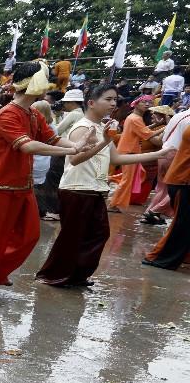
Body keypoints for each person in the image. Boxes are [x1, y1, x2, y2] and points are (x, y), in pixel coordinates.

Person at [0, 61, 93, 301]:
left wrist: (76, 145)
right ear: (34, 84)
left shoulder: (33, 113)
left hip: (23, 186)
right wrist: (73, 150)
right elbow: (28, 146)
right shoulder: (7, 114)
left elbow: (53, 139)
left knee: (30, 235)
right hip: (0, 187)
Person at [37, 83, 167, 287]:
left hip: (94, 190)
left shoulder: (102, 128)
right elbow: (75, 159)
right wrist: (104, 142)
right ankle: (54, 275)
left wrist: (158, 154)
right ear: (91, 103)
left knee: (97, 234)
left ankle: (76, 275)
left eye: (114, 100)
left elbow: (116, 159)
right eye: (108, 99)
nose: (113, 104)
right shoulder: (82, 127)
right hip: (77, 189)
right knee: (73, 237)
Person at [143, 116, 190, 270]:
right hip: (184, 179)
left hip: (178, 175)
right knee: (181, 224)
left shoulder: (180, 116)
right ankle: (160, 257)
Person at [107, 95, 161, 213]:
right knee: (128, 180)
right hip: (129, 152)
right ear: (136, 104)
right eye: (144, 102)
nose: (147, 104)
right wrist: (167, 127)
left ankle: (111, 178)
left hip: (130, 151)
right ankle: (112, 204)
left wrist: (156, 125)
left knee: (138, 175)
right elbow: (147, 134)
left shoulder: (133, 117)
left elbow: (142, 130)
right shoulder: (135, 118)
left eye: (149, 102)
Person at [143, 108, 190, 224]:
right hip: (178, 155)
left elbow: (164, 138)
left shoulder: (177, 116)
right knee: (178, 186)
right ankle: (155, 210)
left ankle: (149, 213)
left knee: (162, 188)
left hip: (164, 153)